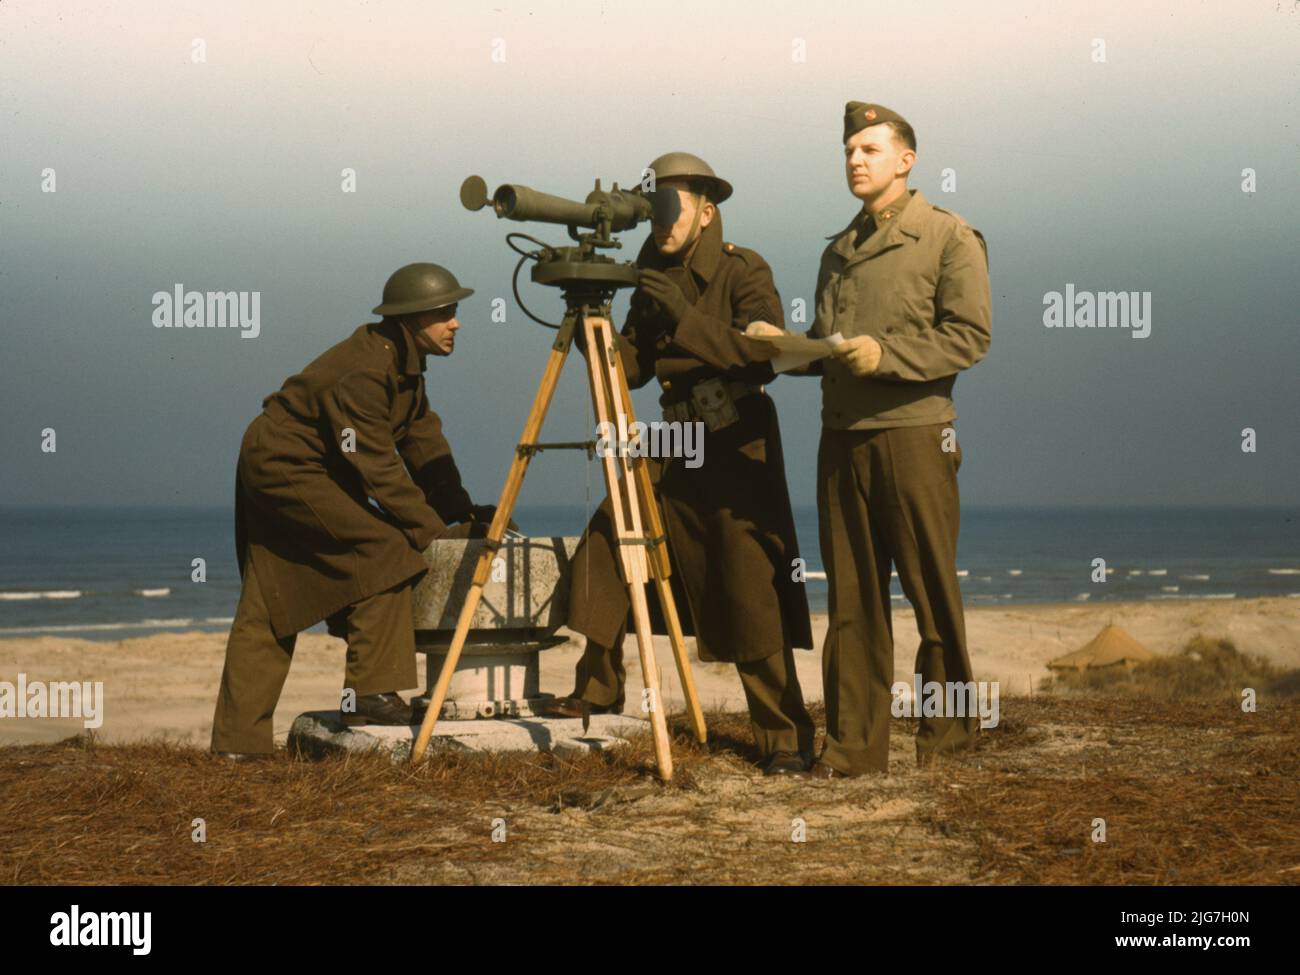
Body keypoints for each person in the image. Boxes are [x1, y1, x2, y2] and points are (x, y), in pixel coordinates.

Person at [551, 152, 817, 777]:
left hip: (735, 436)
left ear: (706, 210)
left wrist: (684, 316)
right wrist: (600, 333)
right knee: (609, 539)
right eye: (654, 206)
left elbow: (762, 356)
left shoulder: (742, 269)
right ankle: (597, 688)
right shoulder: (651, 270)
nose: (661, 219)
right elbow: (638, 368)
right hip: (677, 438)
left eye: (673, 206)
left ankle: (784, 740)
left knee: (748, 585)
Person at [749, 103, 992, 776]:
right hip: (841, 442)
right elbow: (834, 347)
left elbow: (969, 336)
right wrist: (783, 349)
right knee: (852, 605)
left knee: (932, 597)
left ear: (906, 160)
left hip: (915, 440)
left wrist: (882, 354)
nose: (855, 159)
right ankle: (853, 750)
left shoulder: (947, 237)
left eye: (870, 149)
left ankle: (947, 747)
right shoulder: (837, 251)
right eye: (849, 150)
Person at [210, 263, 499, 759]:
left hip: (300, 462)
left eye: (455, 311)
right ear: (411, 318)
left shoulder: (401, 362)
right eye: (445, 313)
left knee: (268, 602)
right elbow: (379, 469)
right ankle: (369, 694)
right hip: (285, 465)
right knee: (387, 550)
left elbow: (421, 439)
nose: (456, 323)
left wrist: (459, 510)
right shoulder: (366, 370)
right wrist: (436, 534)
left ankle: (239, 748)